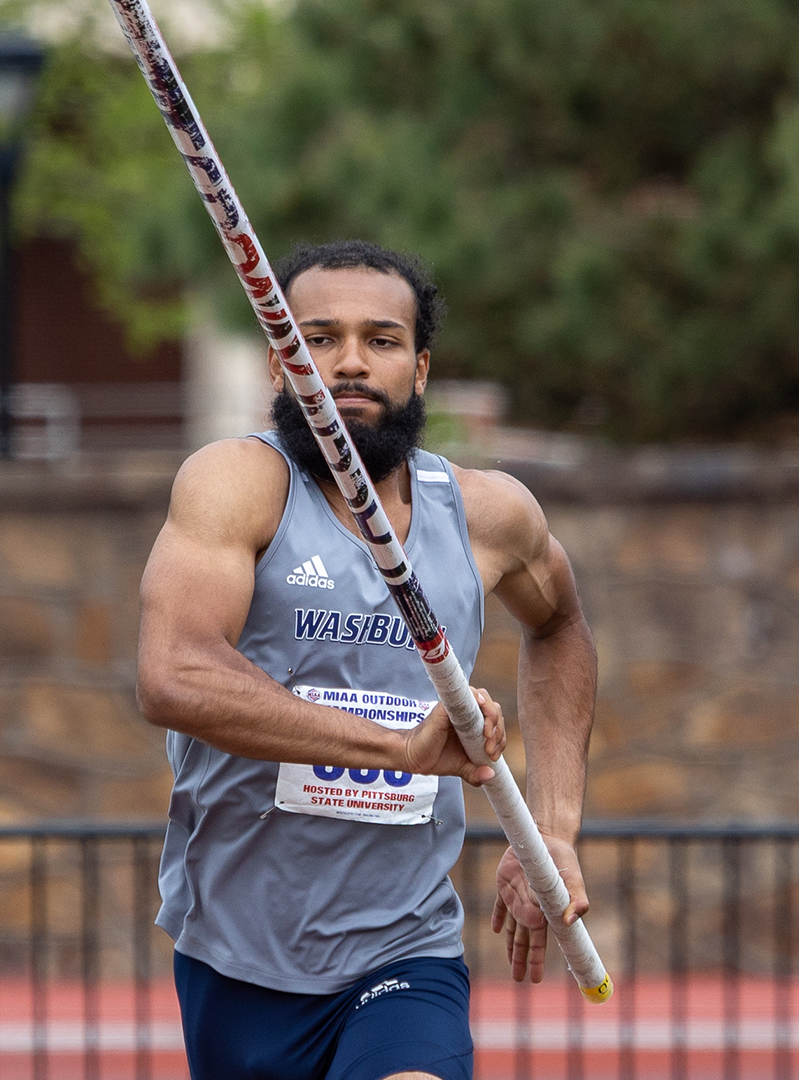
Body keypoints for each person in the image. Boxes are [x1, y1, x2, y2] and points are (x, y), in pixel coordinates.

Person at [136, 239, 597, 1080]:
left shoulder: (487, 515)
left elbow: (561, 626)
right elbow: (174, 675)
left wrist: (553, 830)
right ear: (279, 363)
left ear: (419, 371)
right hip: (237, 957)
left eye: (381, 341)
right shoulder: (238, 485)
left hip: (405, 951)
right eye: (319, 338)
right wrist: (395, 748)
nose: (350, 362)